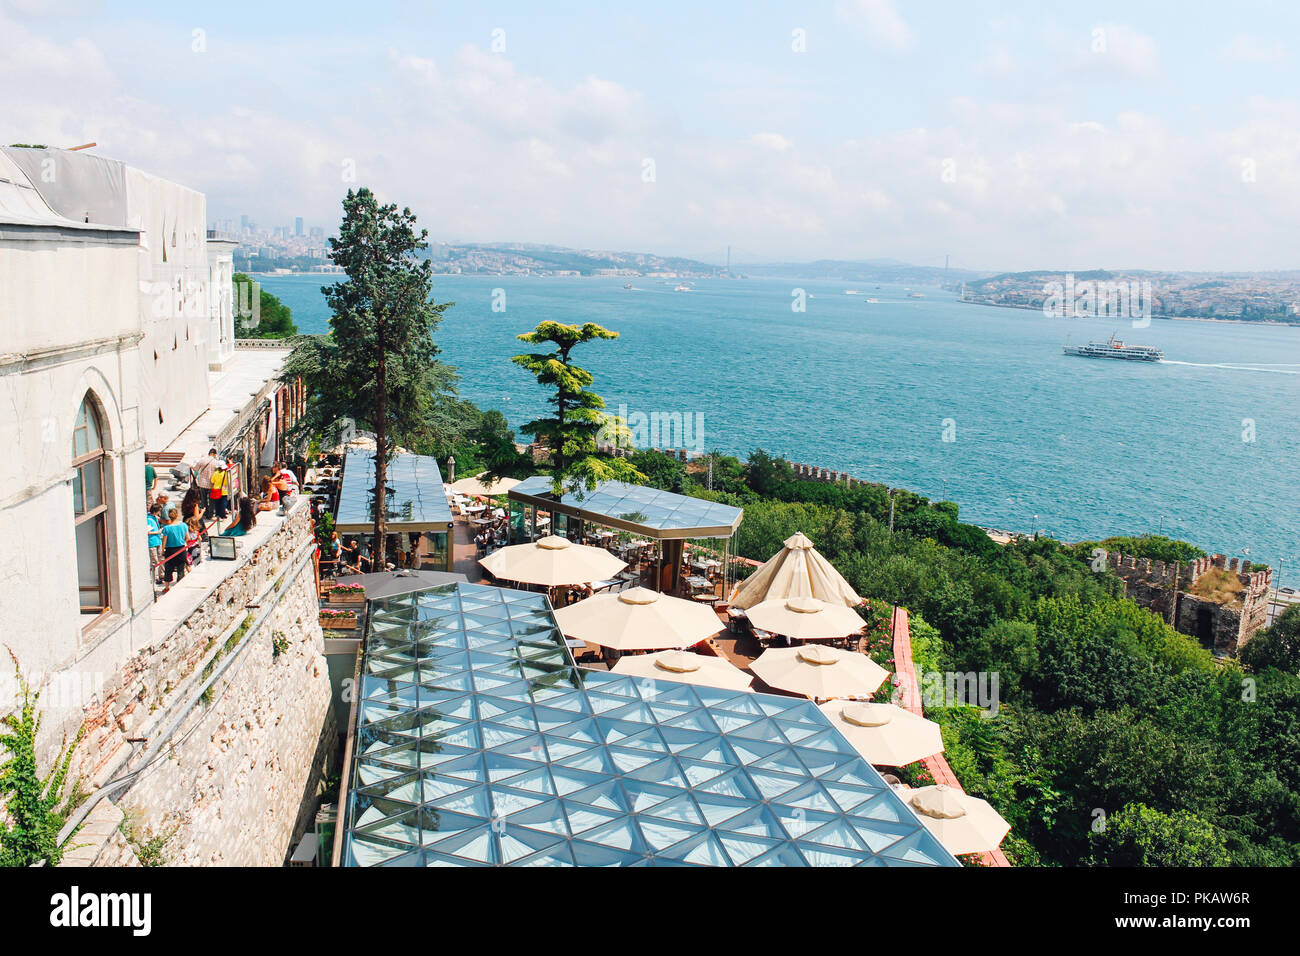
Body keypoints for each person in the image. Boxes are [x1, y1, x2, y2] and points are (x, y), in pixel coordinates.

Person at [160, 509, 189, 585]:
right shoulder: (183, 525)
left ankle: (167, 587)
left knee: (168, 568)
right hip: (181, 549)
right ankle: (180, 584)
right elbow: (187, 537)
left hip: (170, 550)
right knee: (180, 568)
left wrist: (162, 550)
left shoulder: (166, 528)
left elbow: (164, 541)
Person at [193, 448, 221, 517]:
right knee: (211, 500)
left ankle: (204, 513)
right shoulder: (216, 462)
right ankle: (210, 514)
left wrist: (191, 467)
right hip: (211, 483)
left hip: (202, 483)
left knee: (203, 499)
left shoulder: (202, 460)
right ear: (214, 454)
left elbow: (196, 469)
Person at [146, 503, 164, 584]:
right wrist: (158, 532)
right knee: (155, 560)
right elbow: (148, 532)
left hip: (158, 540)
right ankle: (155, 577)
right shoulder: (148, 519)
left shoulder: (154, 518)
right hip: (152, 542)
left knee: (160, 558)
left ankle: (162, 574)